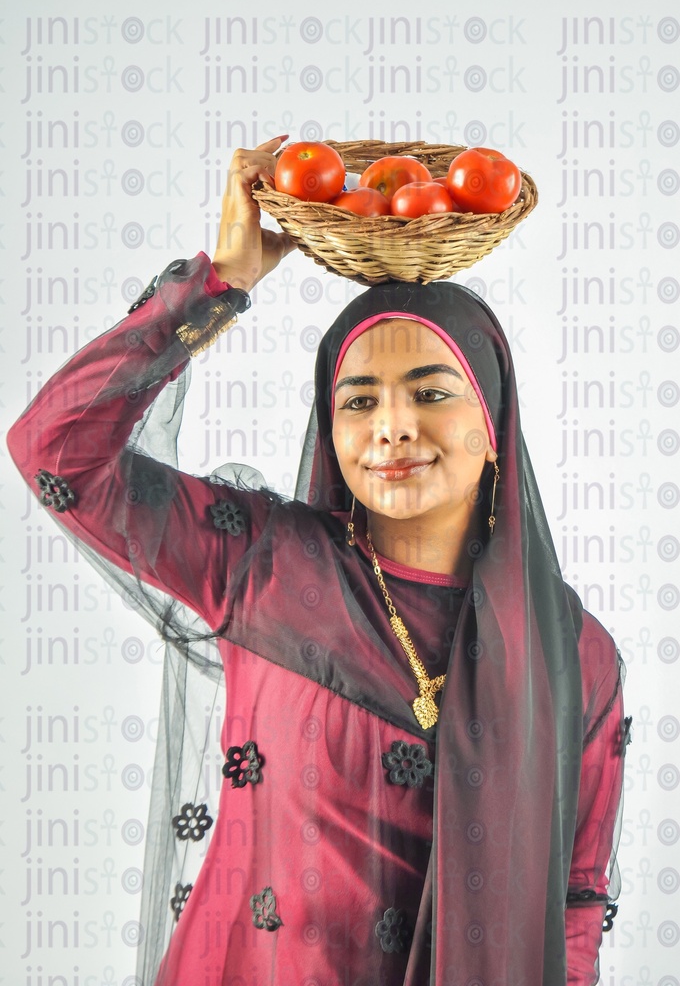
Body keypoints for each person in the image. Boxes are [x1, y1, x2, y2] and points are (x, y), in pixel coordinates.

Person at [8, 137, 627, 986]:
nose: (392, 426)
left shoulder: (574, 653)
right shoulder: (260, 564)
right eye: (360, 399)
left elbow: (577, 899)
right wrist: (214, 287)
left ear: (494, 428)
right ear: (331, 432)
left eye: (432, 392)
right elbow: (56, 451)